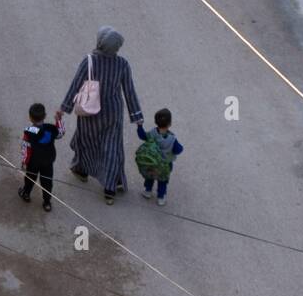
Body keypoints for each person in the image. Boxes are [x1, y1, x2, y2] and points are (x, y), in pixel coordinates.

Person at [60, 27, 143, 204]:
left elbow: (75, 85)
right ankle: (110, 189)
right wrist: (137, 117)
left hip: (89, 112)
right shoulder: (122, 64)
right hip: (112, 114)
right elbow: (129, 92)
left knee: (87, 141)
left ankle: (82, 170)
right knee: (112, 148)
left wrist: (64, 108)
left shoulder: (89, 61)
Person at [18, 103, 65, 212]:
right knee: (47, 182)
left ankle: (26, 194)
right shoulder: (51, 129)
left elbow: (26, 147)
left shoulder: (29, 131)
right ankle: (47, 203)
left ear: (30, 117)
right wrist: (58, 120)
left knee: (30, 178)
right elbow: (61, 133)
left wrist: (24, 161)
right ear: (45, 116)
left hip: (34, 162)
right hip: (48, 161)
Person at [135, 108, 183, 206]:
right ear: (170, 124)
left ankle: (148, 191)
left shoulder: (152, 133)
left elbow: (142, 136)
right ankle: (161, 197)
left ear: (156, 122)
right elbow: (178, 150)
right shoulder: (172, 139)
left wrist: (139, 126)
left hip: (151, 164)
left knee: (149, 177)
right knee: (163, 181)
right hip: (164, 165)